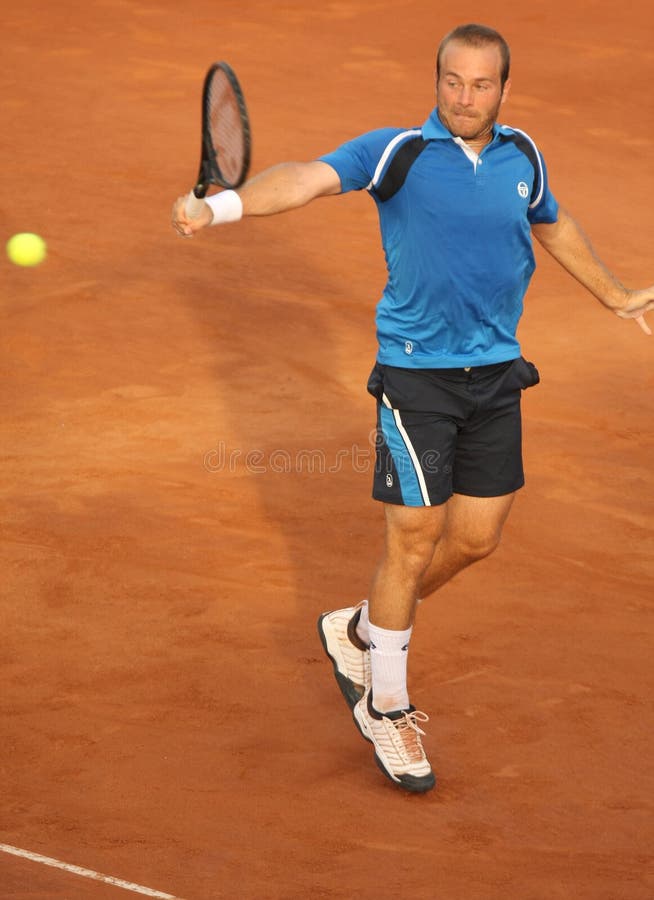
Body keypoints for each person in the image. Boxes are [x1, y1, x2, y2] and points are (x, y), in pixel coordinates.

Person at [172, 24, 653, 794]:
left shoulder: (522, 156)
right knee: (414, 535)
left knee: (475, 538)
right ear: (436, 80)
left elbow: (551, 221)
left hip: (496, 376)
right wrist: (223, 208)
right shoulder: (397, 153)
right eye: (452, 81)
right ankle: (387, 707)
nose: (464, 97)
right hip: (415, 378)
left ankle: (361, 629)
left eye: (481, 85)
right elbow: (306, 177)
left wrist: (616, 294)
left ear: (503, 88)